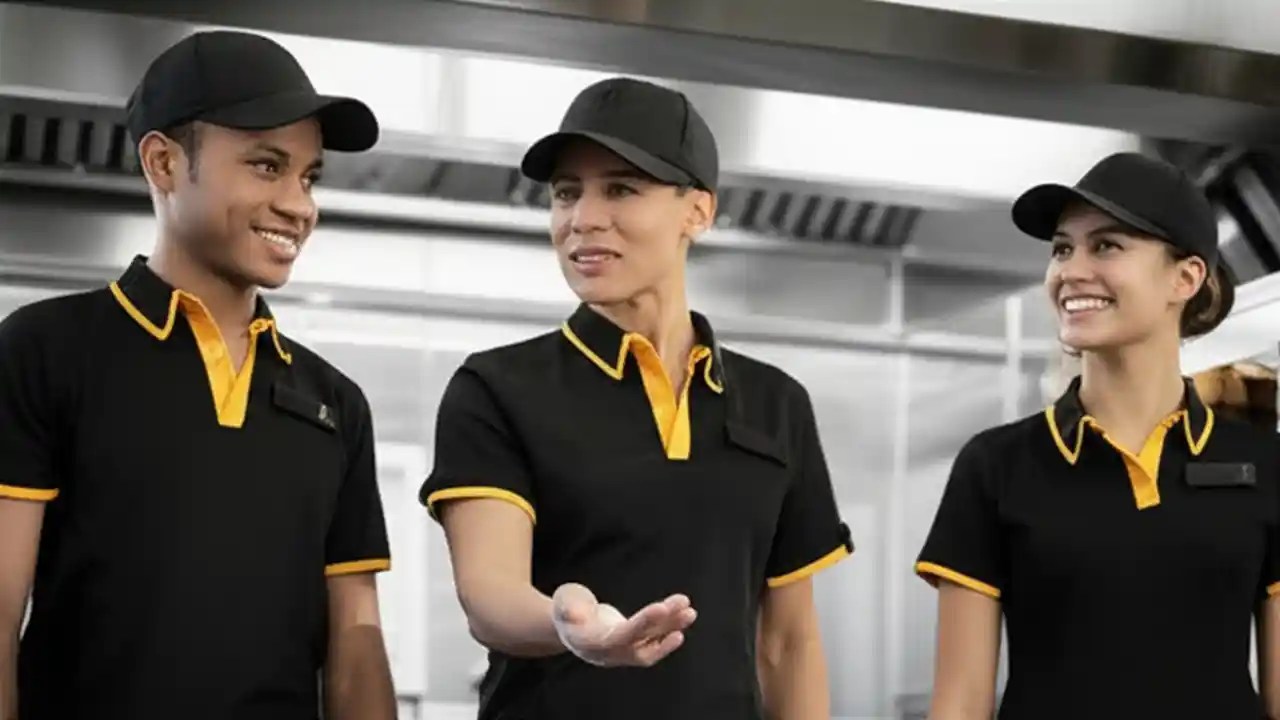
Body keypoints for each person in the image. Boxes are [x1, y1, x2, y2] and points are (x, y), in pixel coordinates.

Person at [419, 77, 853, 720]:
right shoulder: (497, 388)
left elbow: (789, 642)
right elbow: (489, 593)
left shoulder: (776, 404)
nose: (583, 218)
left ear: (697, 211)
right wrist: (574, 629)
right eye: (567, 193)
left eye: (621, 188)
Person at [0, 31, 396, 720]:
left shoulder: (337, 403)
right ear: (163, 163)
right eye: (266, 166)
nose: (300, 206)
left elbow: (357, 642)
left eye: (309, 176)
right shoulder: (45, 350)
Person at [915, 152, 1280, 719]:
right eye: (1062, 248)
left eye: (1106, 246)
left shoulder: (1267, 468)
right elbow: (960, 704)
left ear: (1185, 278)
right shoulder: (996, 466)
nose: (1070, 271)